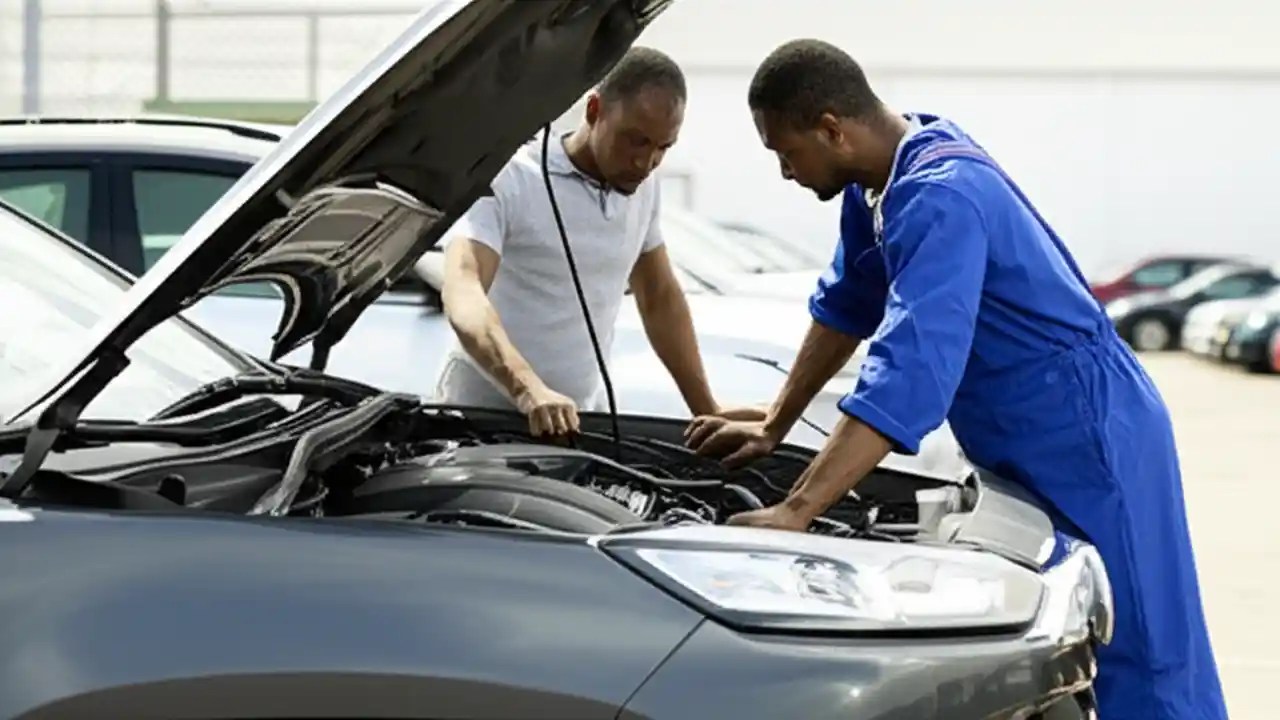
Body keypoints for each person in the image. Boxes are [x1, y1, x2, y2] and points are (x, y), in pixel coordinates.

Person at [684, 39, 1226, 720]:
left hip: (1092, 434)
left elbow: (910, 372)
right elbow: (847, 305)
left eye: (785, 154)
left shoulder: (941, 196)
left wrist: (799, 510)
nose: (787, 173)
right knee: (1068, 641)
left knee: (1142, 651)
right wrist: (775, 422)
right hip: (1024, 436)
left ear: (831, 128)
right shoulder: (877, 178)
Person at [434, 46, 757, 437]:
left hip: (577, 421)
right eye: (635, 141)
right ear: (594, 111)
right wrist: (527, 388)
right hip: (482, 421)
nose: (646, 162)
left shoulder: (644, 188)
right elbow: (463, 290)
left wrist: (707, 409)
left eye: (663, 147)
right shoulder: (511, 178)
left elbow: (658, 297)